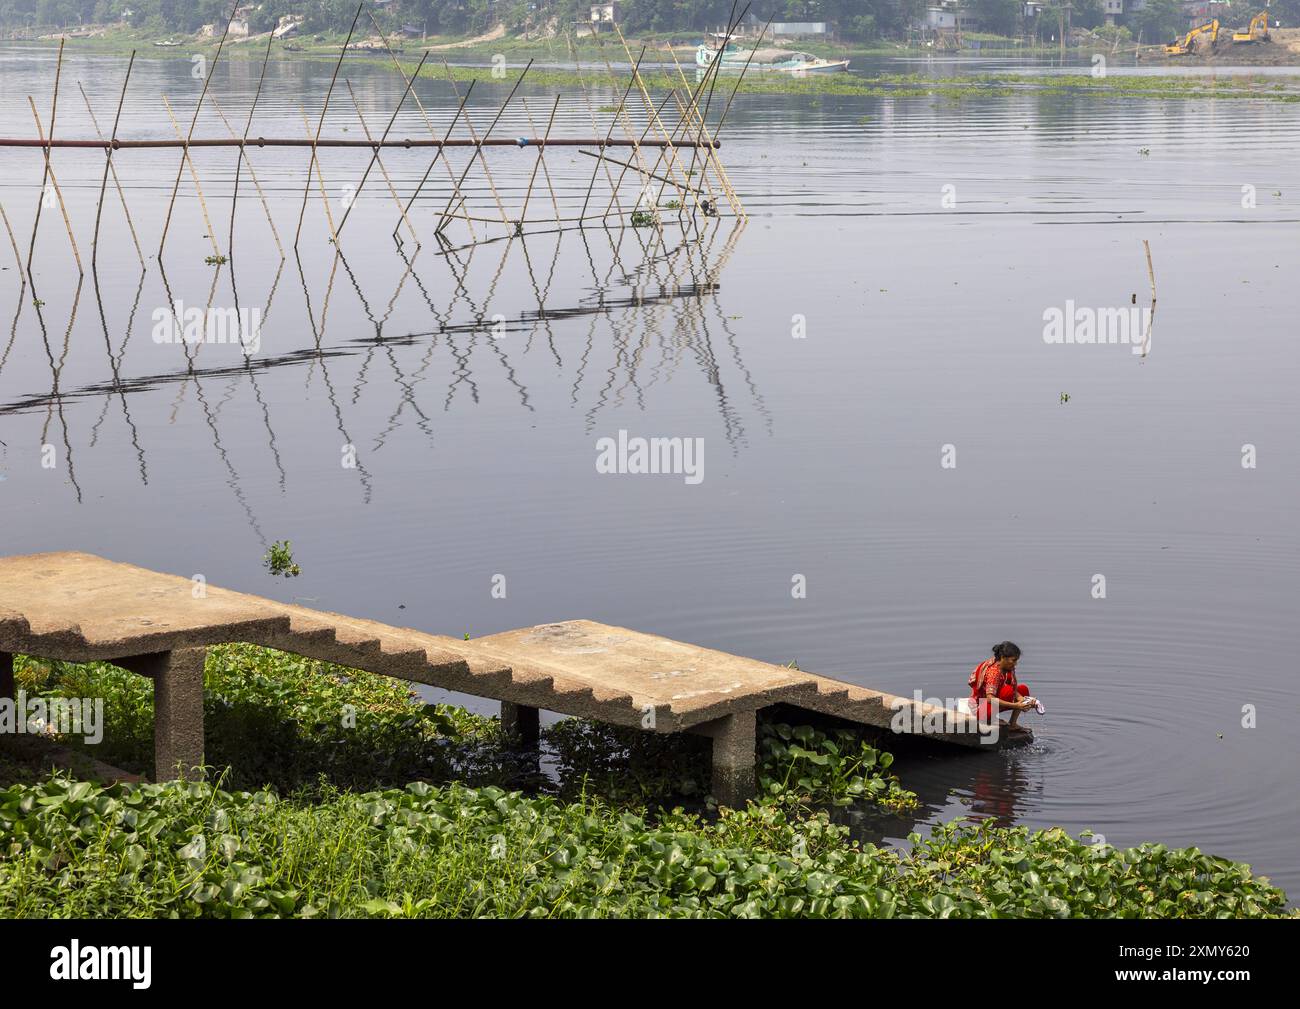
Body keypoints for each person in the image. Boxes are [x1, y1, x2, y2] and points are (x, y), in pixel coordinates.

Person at [968, 641, 1040, 734]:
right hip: (980, 710)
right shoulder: (994, 672)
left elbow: (1015, 691)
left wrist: (1024, 700)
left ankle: (1012, 724)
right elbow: (990, 699)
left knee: (1023, 689)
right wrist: (1016, 705)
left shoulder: (1008, 668)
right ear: (1003, 658)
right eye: (1013, 660)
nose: (1016, 664)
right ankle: (988, 720)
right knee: (1008, 690)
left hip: (990, 704)